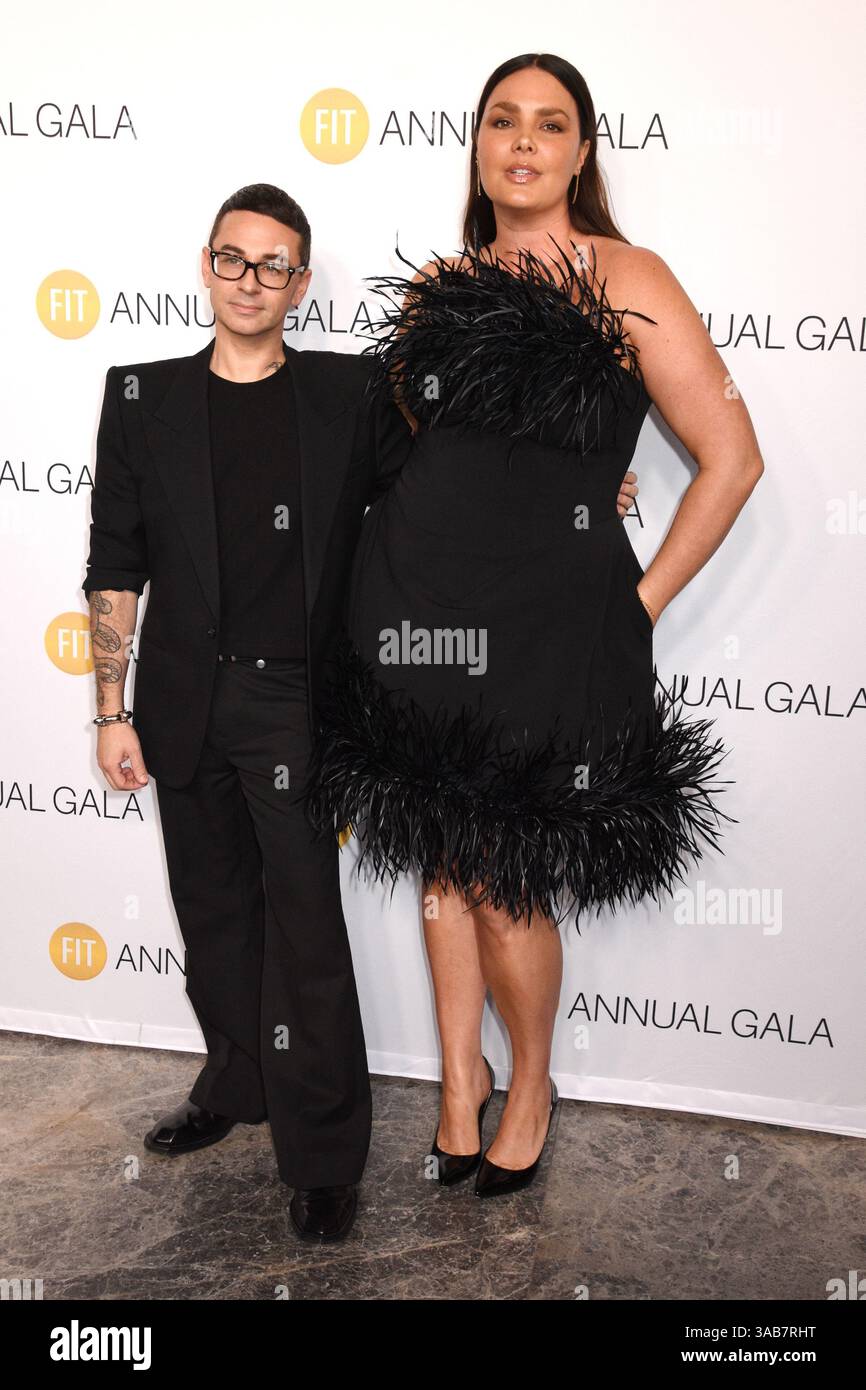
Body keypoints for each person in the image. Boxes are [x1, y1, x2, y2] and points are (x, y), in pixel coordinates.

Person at [80, 178, 650, 1236]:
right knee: (212, 920)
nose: (249, 279)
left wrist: (583, 480)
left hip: (298, 704)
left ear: (299, 283)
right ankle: (233, 1084)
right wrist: (109, 711)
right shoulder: (137, 397)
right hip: (177, 702)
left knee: (304, 932)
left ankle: (323, 1155)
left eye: (273, 263)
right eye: (231, 258)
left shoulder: (345, 395)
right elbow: (116, 563)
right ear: (204, 267)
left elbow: (452, 477)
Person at [309, 54, 764, 1199]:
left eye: (547, 124)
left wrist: (637, 595)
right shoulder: (442, 285)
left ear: (579, 151)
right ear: (476, 142)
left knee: (507, 876)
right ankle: (458, 1085)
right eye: (500, 120)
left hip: (550, 625)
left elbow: (730, 457)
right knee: (439, 868)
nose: (520, 141)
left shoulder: (628, 274)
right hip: (413, 605)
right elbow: (431, 451)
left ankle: (531, 1083)